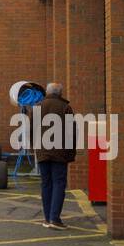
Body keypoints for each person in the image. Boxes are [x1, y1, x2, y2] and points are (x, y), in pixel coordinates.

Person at [37, 82, 75, 229]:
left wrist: (37, 148)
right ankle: (55, 219)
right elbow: (71, 133)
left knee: (46, 184)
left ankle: (47, 219)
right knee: (59, 184)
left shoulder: (37, 107)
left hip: (42, 152)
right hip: (60, 153)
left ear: (47, 92)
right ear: (60, 93)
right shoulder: (65, 108)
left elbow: (31, 131)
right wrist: (70, 154)